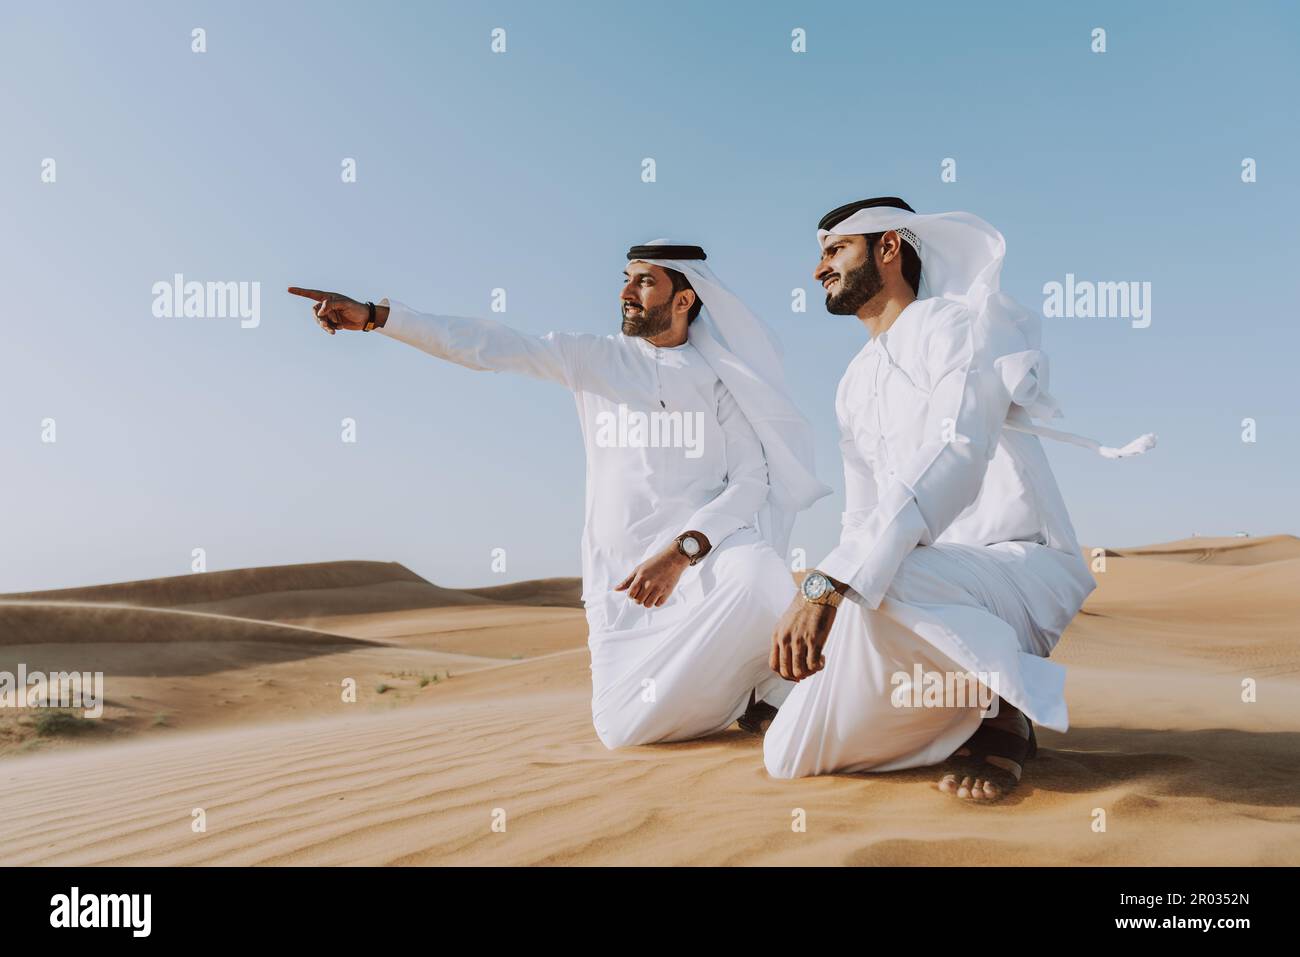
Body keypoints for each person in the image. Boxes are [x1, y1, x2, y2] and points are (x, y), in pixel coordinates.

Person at [289, 239, 829, 749]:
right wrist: (380, 317)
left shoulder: (719, 380)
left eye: (644, 282)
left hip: (702, 566)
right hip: (622, 579)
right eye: (626, 280)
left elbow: (750, 481)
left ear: (684, 299)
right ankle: (740, 694)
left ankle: (769, 689)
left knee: (760, 572)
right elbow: (486, 345)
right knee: (622, 729)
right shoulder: (592, 358)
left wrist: (682, 550)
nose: (624, 293)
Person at [763, 198, 1155, 801]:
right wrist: (834, 586)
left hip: (1012, 568)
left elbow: (956, 457)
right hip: (913, 582)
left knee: (879, 573)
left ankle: (1001, 712)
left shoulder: (961, 326)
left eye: (835, 251)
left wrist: (827, 582)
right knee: (790, 752)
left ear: (888, 248)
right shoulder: (851, 384)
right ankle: (955, 713)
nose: (818, 271)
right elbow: (862, 517)